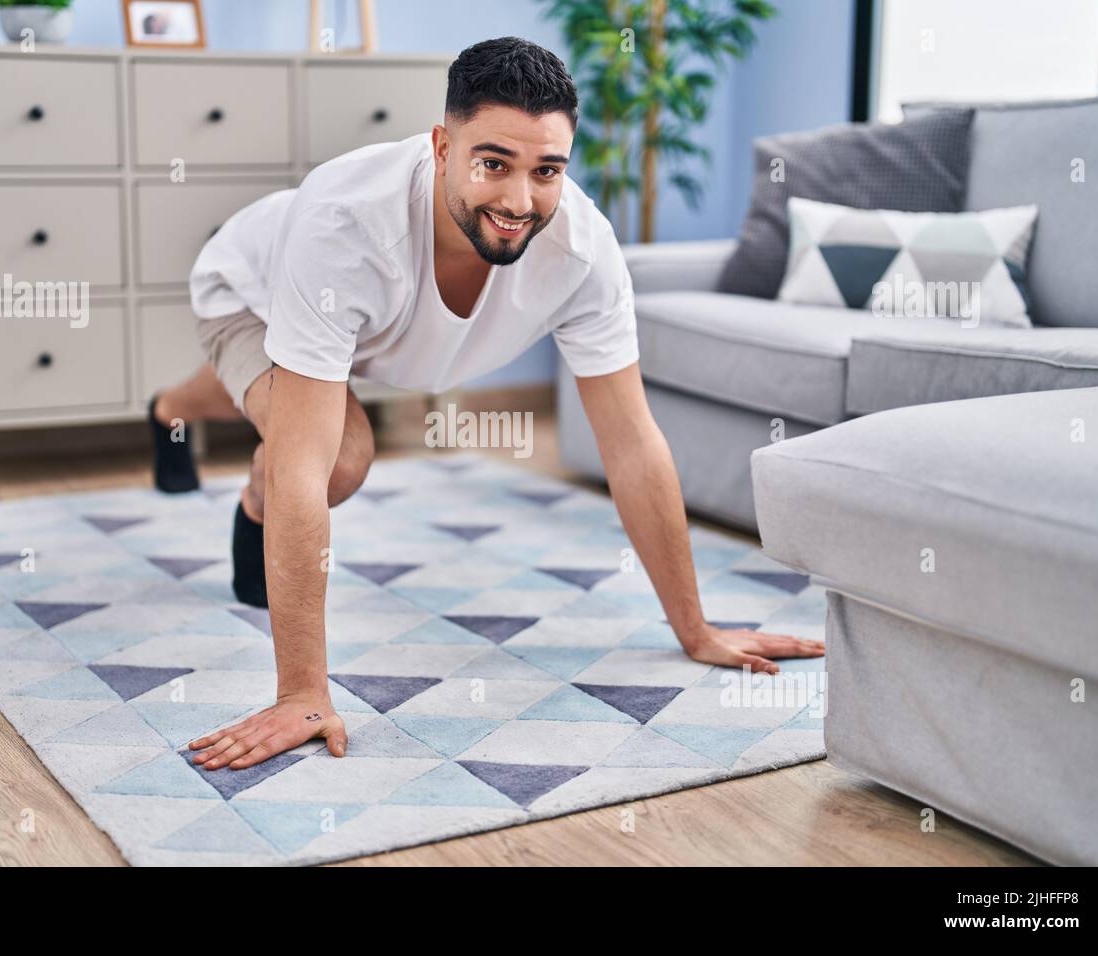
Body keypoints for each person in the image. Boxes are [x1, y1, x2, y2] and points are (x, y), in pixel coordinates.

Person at [174, 36, 824, 772]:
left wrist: (696, 628)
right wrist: (302, 693)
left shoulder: (584, 254)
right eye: (494, 163)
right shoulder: (343, 222)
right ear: (442, 147)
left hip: (369, 335)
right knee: (338, 457)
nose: (520, 202)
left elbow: (632, 443)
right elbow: (300, 461)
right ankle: (183, 416)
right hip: (252, 293)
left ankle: (180, 407)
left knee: (303, 412)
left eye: (546, 170)